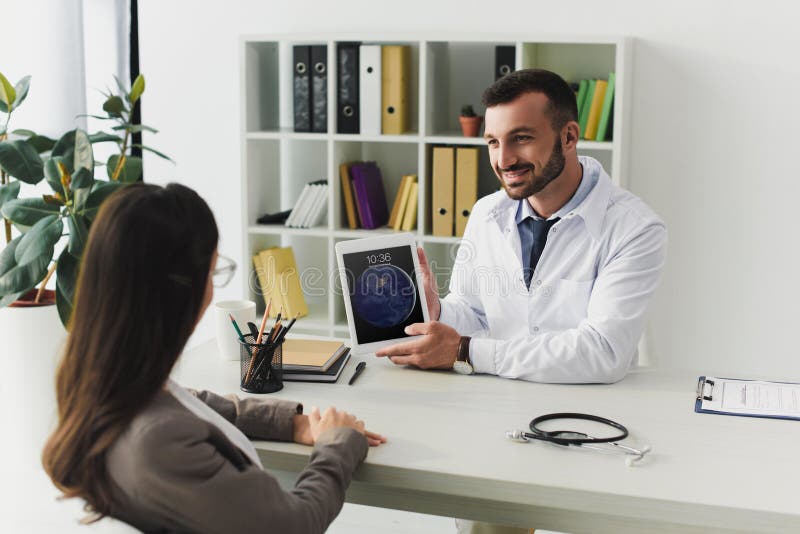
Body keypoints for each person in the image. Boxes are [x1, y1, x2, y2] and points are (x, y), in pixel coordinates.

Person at [42, 183, 386, 533]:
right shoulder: (160, 442)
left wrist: (291, 423)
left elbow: (189, 402)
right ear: (179, 296)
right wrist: (337, 446)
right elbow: (293, 524)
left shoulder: (98, 388)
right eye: (211, 272)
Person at [377, 68, 667, 384]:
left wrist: (466, 352)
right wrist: (439, 312)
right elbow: (476, 316)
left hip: (586, 410)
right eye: (493, 142)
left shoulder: (635, 229)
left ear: (569, 136)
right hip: (496, 397)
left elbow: (602, 352)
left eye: (521, 138)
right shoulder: (486, 212)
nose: (504, 160)